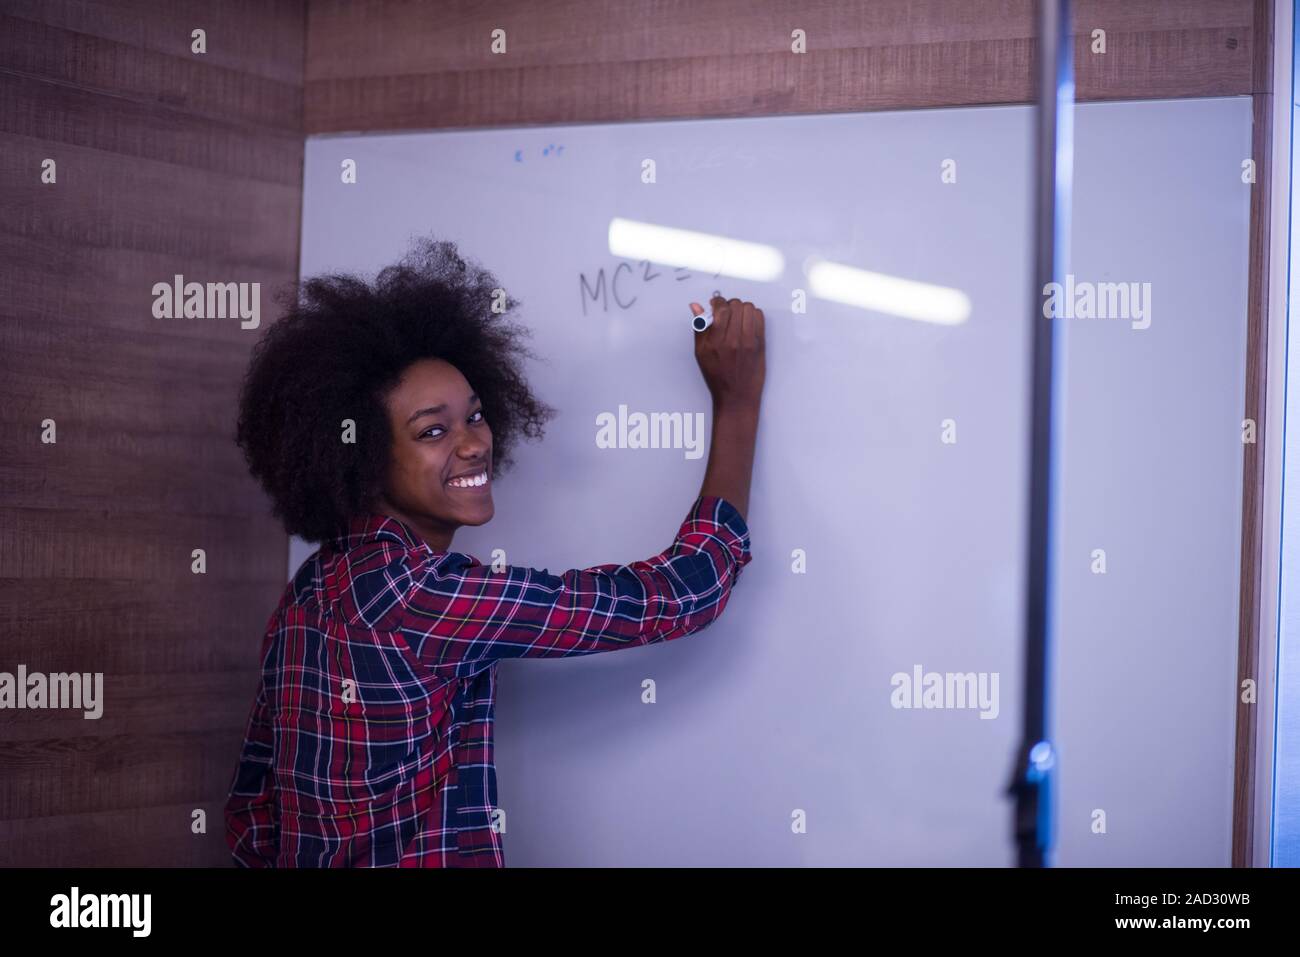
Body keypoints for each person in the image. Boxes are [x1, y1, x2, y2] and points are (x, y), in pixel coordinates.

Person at [223, 236, 764, 866]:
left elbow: (253, 815)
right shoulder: (424, 596)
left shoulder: (314, 586)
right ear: (360, 454)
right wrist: (737, 404)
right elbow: (680, 595)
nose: (474, 444)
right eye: (432, 430)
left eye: (474, 416)